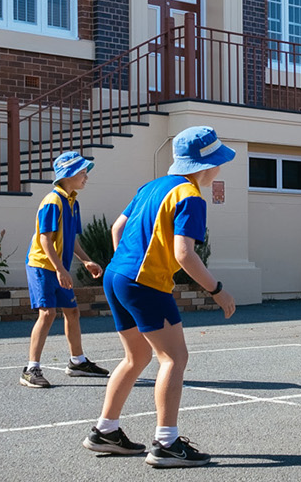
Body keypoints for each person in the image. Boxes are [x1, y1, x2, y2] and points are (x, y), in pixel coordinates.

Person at [81, 126, 238, 468]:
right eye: (217, 163)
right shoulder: (190, 196)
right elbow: (185, 254)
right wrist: (217, 290)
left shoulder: (151, 187)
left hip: (116, 275)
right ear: (203, 166)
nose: (219, 169)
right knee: (174, 359)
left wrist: (125, 263)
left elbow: (117, 229)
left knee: (135, 358)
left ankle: (105, 430)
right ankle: (166, 443)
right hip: (144, 282)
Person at [19, 152, 110, 388]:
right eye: (82, 172)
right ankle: (31, 369)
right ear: (68, 175)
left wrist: (86, 261)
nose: (86, 177)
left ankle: (77, 362)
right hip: (42, 266)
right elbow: (45, 239)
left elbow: (72, 240)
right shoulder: (52, 201)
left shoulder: (73, 202)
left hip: (58, 268)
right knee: (47, 314)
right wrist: (60, 269)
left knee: (72, 312)